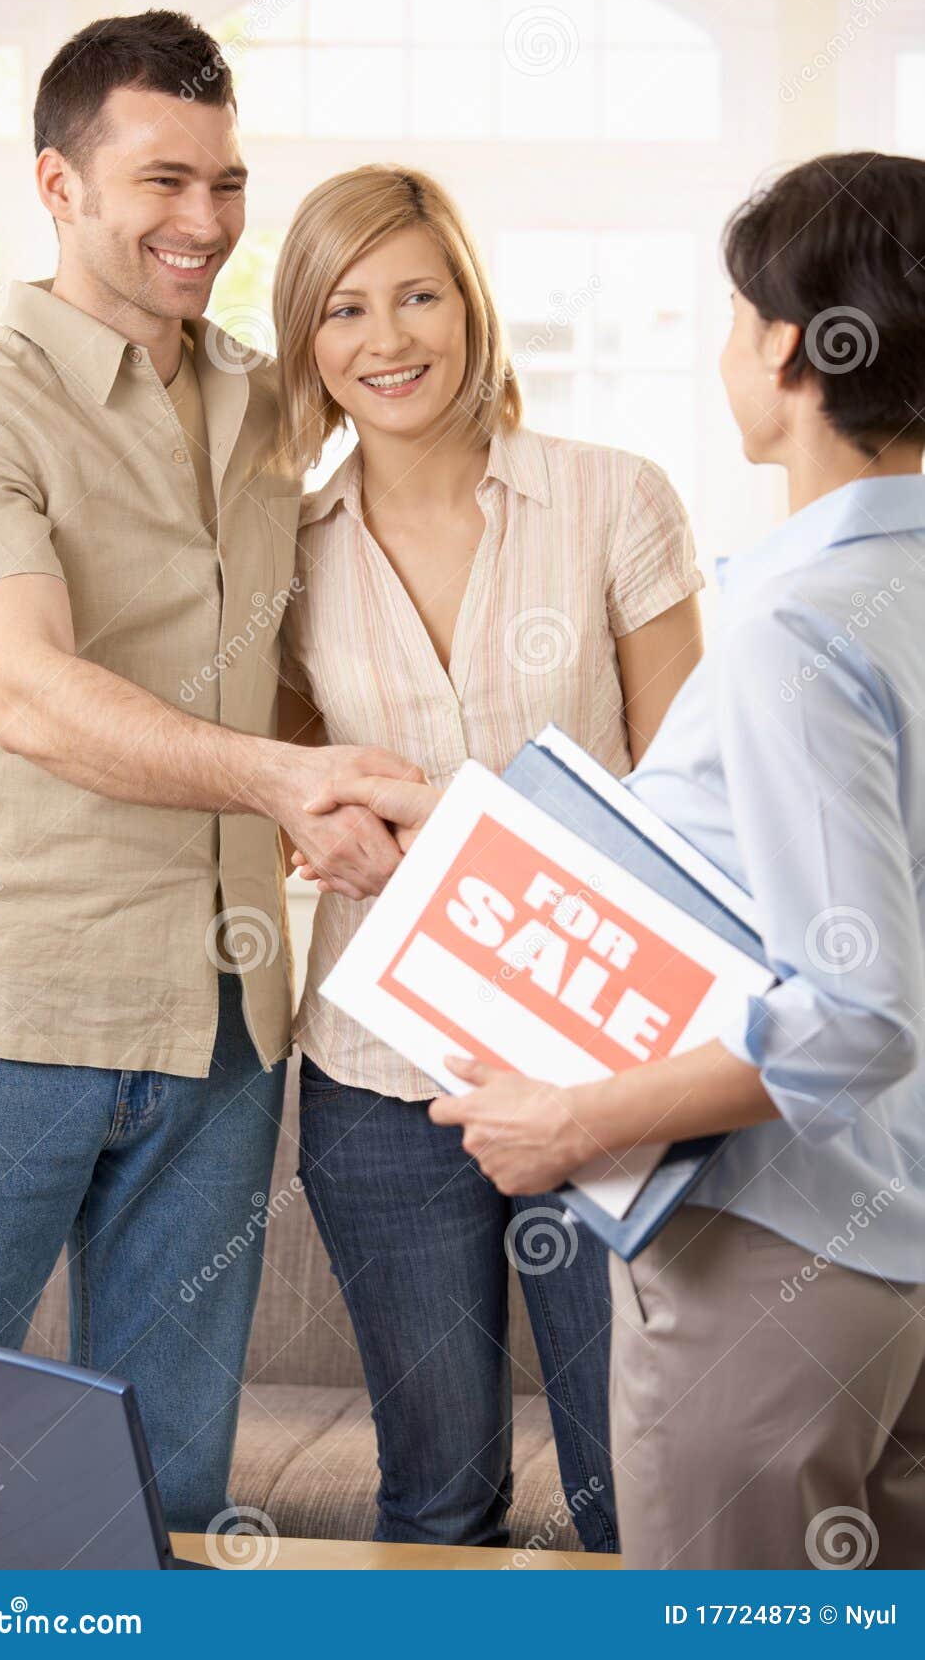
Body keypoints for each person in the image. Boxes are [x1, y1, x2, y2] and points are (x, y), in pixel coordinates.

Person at [306, 152, 925, 1570]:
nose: (388, 335)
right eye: (347, 308)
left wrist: (582, 1119)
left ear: (785, 345)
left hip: (759, 1217)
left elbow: (855, 1007)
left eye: (729, 315)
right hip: (878, 1235)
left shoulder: (791, 625)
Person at [0, 11, 419, 1567]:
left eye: (229, 183)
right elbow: (31, 694)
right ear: (57, 182)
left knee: (162, 1488)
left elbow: (365, 538)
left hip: (228, 1023)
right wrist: (282, 774)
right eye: (162, 179)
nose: (206, 223)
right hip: (8, 1010)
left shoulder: (259, 403)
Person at [272, 164, 705, 1550]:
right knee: (436, 1494)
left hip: (599, 1064)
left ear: (472, 304)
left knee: (628, 1489)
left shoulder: (612, 500)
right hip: (376, 1079)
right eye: (344, 309)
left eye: (418, 294)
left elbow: (694, 801)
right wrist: (305, 822)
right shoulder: (284, 549)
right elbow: (283, 782)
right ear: (305, 338)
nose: (386, 341)